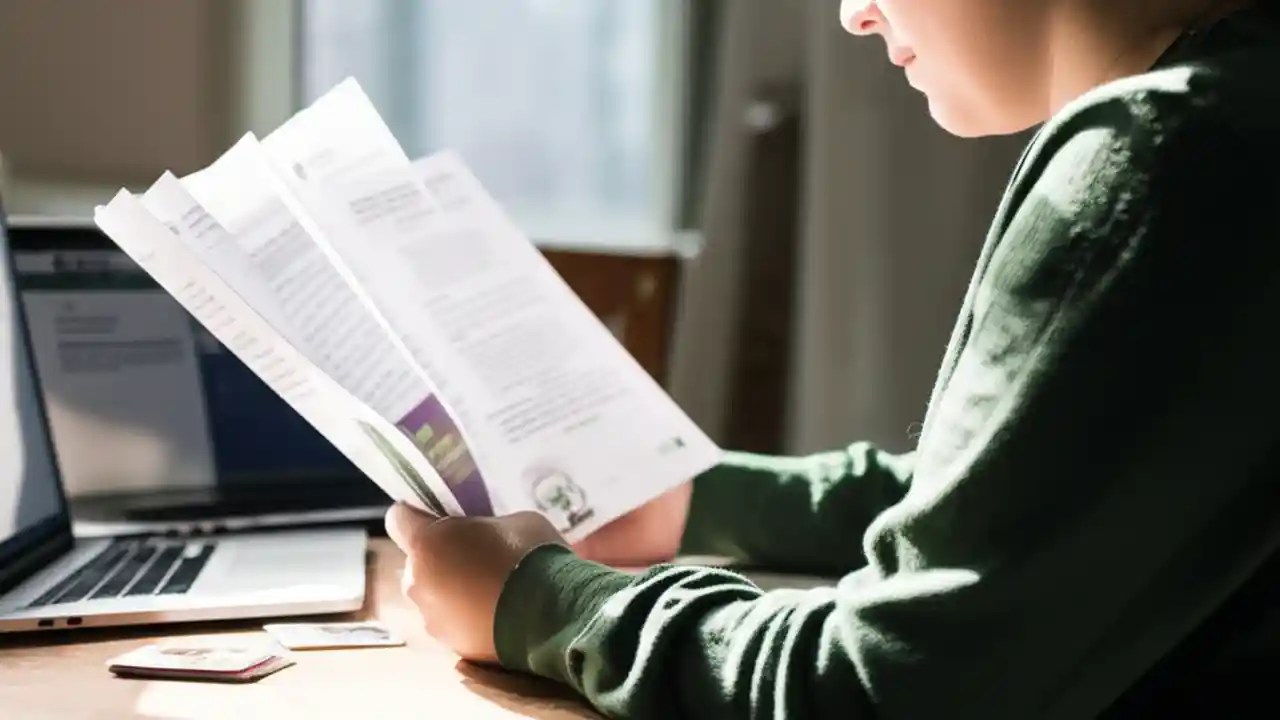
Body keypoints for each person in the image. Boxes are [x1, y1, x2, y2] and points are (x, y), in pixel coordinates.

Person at [385, 0, 1280, 716]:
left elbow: (886, 688)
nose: (854, 13)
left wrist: (540, 600)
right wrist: (707, 501)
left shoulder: (1164, 159)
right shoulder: (1238, 104)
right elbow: (1057, 500)